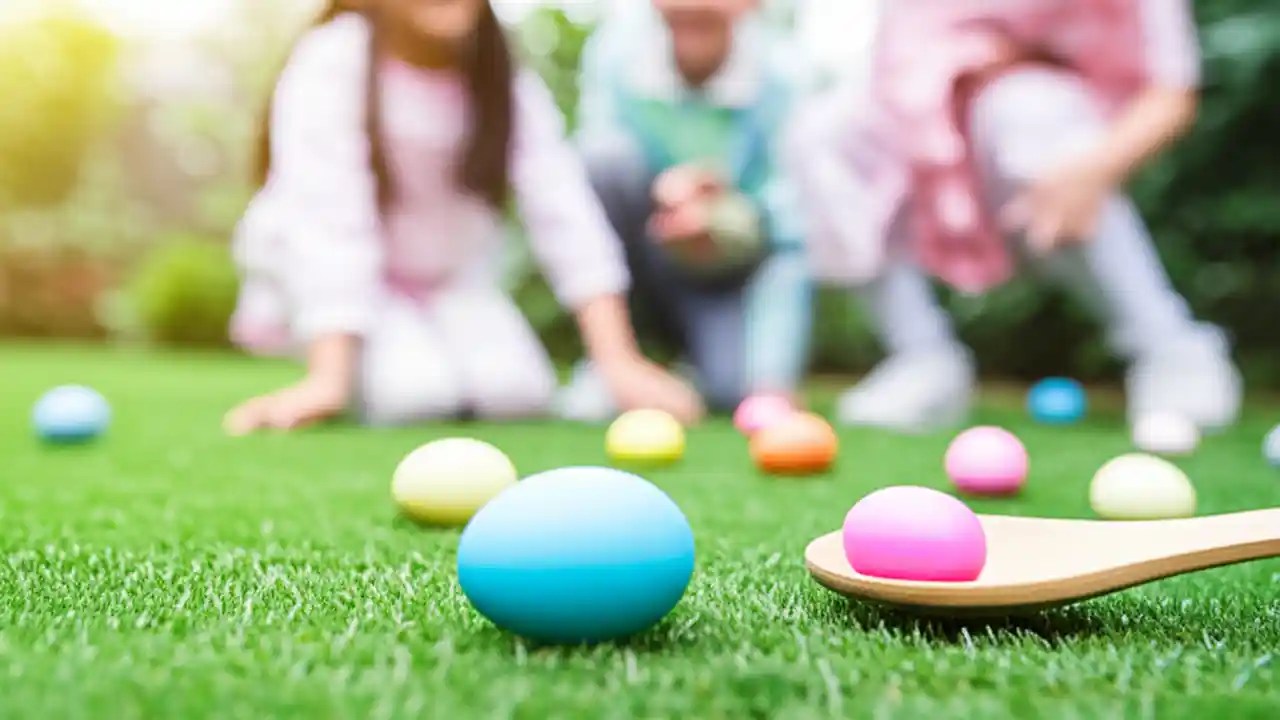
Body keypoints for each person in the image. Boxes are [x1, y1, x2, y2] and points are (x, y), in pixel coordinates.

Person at [224, 0, 703, 434]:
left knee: (517, 394)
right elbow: (330, 222)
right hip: (344, 289)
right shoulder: (334, 57)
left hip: (449, 281)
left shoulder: (499, 70)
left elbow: (563, 210)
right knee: (415, 396)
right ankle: (356, 366)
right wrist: (329, 379)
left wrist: (618, 361)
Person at [790, 0, 1241, 433]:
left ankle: (1169, 350)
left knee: (1025, 107)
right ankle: (922, 359)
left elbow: (1171, 94)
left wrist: (1092, 171)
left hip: (1065, 153)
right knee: (821, 131)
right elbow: (897, 69)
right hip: (932, 155)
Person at [557, 0, 813, 419]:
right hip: (642, 248)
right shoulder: (616, 53)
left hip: (722, 271)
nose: (691, 5)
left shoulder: (784, 77)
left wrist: (772, 381)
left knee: (735, 389)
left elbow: (791, 237)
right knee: (604, 162)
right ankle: (615, 363)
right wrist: (666, 190)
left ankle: (687, 370)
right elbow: (587, 187)